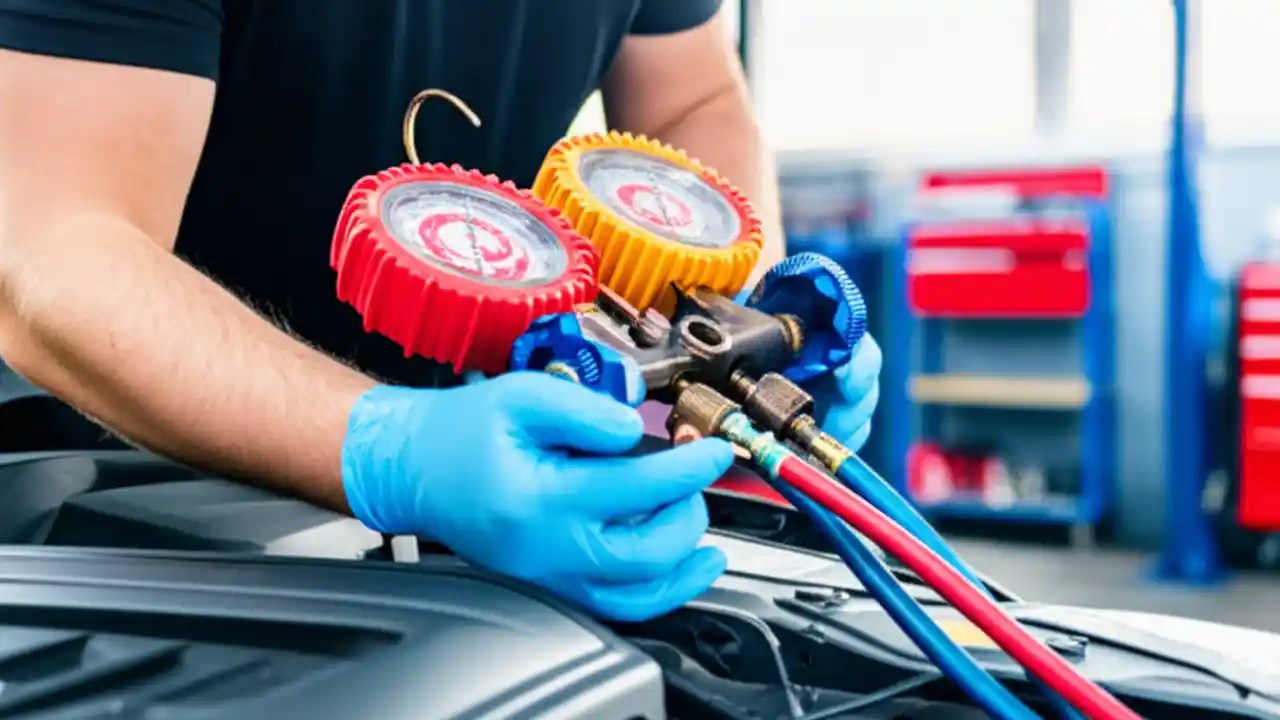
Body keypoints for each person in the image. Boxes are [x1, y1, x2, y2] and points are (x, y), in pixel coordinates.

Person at [0, 1, 882, 621]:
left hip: (440, 482)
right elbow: (57, 251)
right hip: (85, 485)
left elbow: (695, 94)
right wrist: (389, 446)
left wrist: (738, 320)